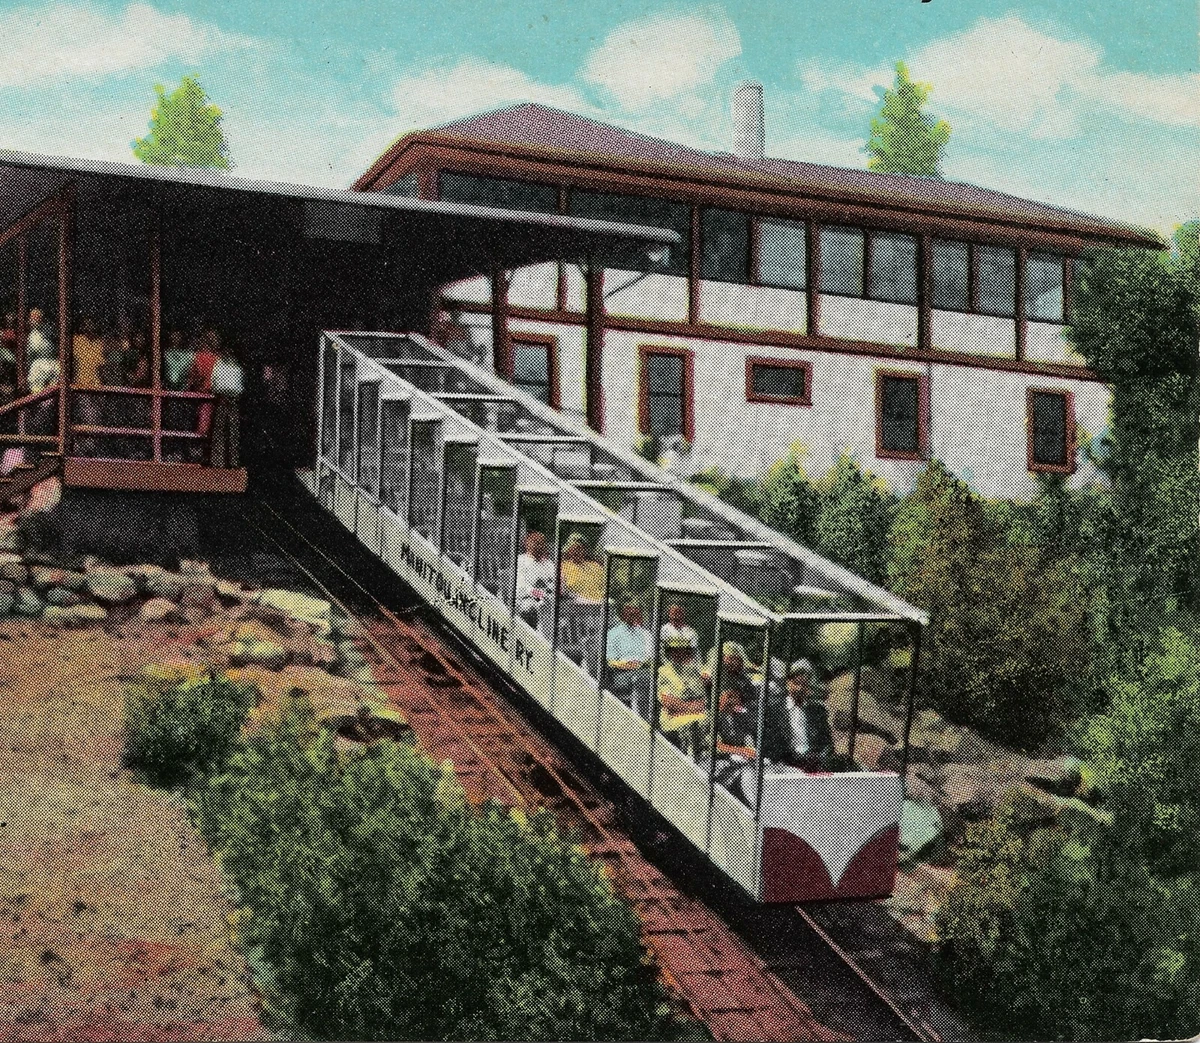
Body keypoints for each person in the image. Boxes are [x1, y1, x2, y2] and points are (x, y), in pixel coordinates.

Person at [764, 659, 836, 771]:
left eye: (804, 684)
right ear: (788, 683)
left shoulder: (818, 710)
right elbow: (772, 745)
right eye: (796, 683)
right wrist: (795, 760)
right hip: (786, 765)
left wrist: (819, 757)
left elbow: (827, 742)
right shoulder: (774, 710)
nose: (800, 688)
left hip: (814, 763)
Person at [657, 635, 708, 756]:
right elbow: (669, 704)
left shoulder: (696, 671)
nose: (680, 654)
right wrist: (693, 707)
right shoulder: (664, 671)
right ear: (669, 652)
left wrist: (687, 706)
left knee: (708, 722)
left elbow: (705, 701)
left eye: (684, 650)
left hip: (697, 716)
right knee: (692, 725)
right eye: (675, 650)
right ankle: (691, 761)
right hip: (673, 719)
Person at [605, 601, 652, 715]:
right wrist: (629, 665)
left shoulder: (645, 633)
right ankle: (640, 717)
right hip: (621, 674)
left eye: (635, 612)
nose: (632, 615)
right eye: (629, 612)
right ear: (623, 615)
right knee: (643, 679)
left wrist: (641, 664)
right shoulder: (613, 634)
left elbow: (651, 657)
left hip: (643, 670)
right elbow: (611, 662)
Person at [208, 339, 244, 468]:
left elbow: (240, 385)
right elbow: (214, 383)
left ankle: (233, 461)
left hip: (233, 399)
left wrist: (236, 395)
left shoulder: (237, 366)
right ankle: (217, 461)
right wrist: (220, 394)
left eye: (231, 352)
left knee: (233, 431)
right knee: (219, 430)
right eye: (227, 351)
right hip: (222, 398)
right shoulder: (218, 365)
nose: (229, 353)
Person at [515, 529, 555, 628]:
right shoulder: (521, 560)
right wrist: (540, 595)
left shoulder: (549, 564)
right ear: (527, 544)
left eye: (541, 543)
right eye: (535, 543)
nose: (539, 546)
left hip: (548, 599)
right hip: (525, 599)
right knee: (532, 608)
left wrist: (549, 594)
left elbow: (554, 582)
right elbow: (522, 587)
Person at [559, 532, 605, 602]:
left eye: (579, 548)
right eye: (572, 548)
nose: (576, 552)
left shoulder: (596, 566)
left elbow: (606, 588)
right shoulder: (563, 567)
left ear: (585, 550)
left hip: (598, 604)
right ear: (568, 551)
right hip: (575, 606)